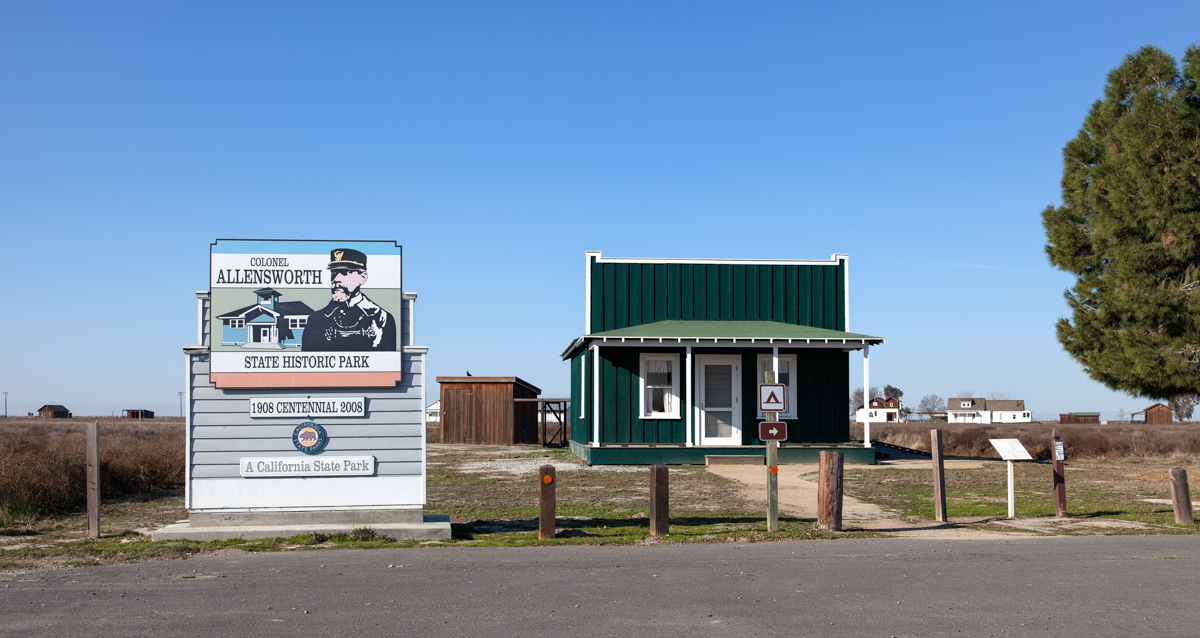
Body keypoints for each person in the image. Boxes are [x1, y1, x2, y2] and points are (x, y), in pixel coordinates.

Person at [301, 248, 397, 351]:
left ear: (363, 278)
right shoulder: (316, 319)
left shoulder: (382, 318)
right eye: (333, 273)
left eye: (344, 272)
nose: (336, 279)